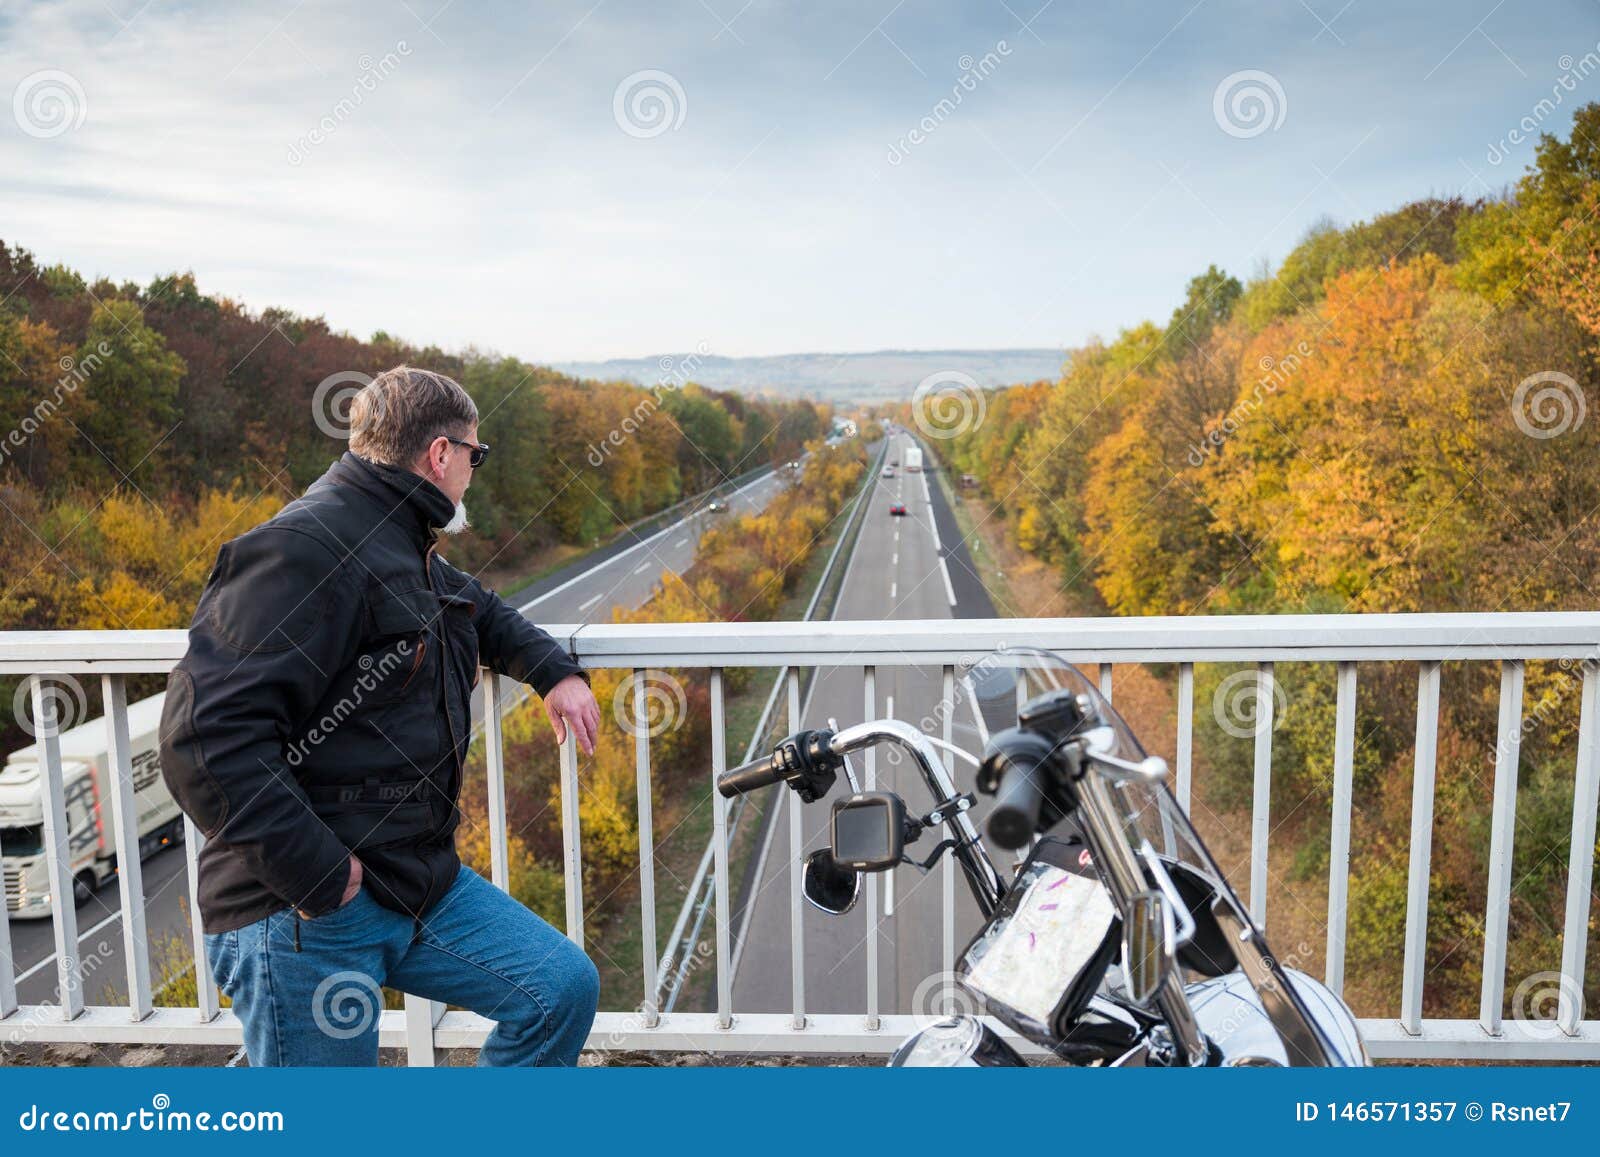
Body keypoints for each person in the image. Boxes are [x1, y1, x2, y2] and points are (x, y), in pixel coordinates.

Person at [158, 364, 603, 1066]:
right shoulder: (305, 548)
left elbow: (476, 608)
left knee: (559, 989)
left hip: (412, 881)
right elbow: (202, 739)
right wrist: (323, 878)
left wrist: (552, 672)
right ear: (440, 454)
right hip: (303, 910)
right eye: (474, 456)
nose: (473, 473)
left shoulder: (399, 537)